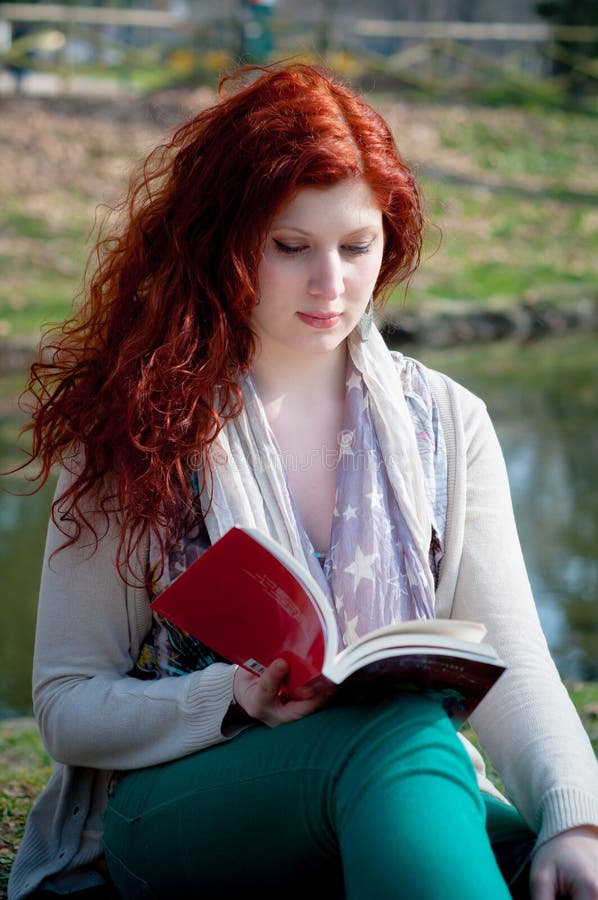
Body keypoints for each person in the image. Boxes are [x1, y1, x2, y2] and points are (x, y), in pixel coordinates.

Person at [7, 63, 598, 900]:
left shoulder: (446, 420)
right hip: (179, 813)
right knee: (399, 737)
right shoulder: (137, 425)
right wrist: (234, 695)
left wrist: (576, 820)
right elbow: (68, 705)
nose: (333, 285)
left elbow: (514, 667)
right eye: (291, 249)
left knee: (522, 846)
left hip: (389, 773)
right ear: (221, 243)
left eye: (357, 246)